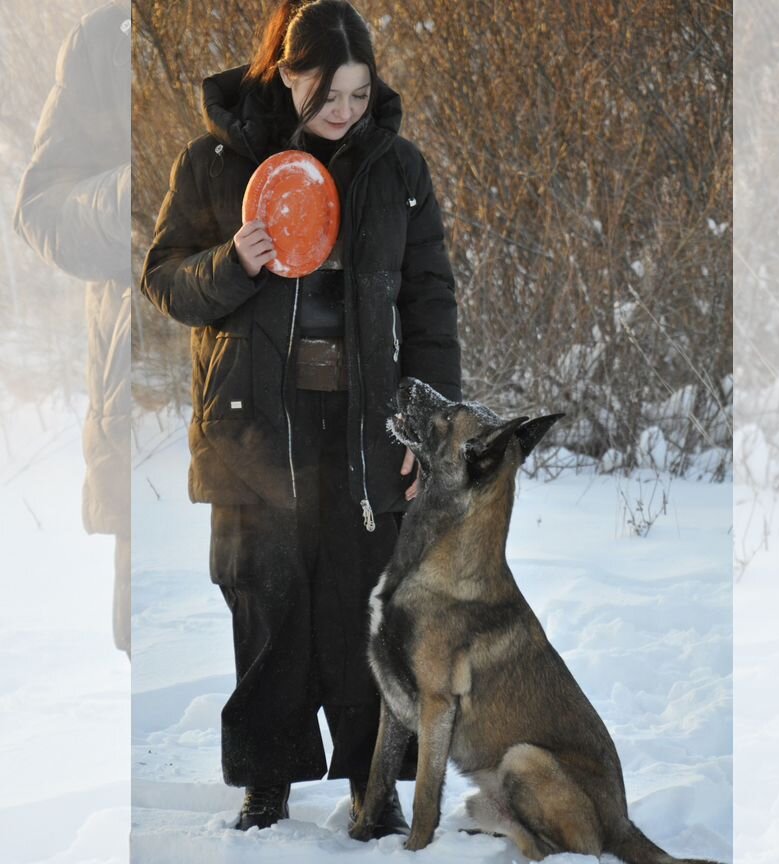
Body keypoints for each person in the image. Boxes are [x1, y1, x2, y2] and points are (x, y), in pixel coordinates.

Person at [140, 0, 461, 835]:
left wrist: (427, 431)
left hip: (360, 425)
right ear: (285, 75)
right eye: (327, 96)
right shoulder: (214, 163)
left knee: (366, 605)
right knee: (266, 598)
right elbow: (165, 279)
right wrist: (231, 263)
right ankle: (267, 781)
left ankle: (376, 780)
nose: (345, 113)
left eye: (359, 94)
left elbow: (430, 306)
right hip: (252, 424)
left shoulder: (397, 170)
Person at [14, 0, 132, 658]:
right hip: (141, 409)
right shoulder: (105, 39)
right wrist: (135, 196)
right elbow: (41, 209)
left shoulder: (294, 24)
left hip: (289, 419)